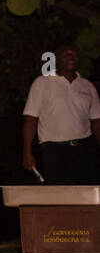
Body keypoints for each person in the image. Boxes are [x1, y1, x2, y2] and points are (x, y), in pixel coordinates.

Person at [22, 43, 100, 184]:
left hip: (85, 148)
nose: (70, 56)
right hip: (54, 150)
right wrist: (27, 152)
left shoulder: (88, 86)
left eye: (73, 54)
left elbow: (96, 122)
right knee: (61, 194)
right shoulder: (42, 83)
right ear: (56, 59)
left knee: (86, 192)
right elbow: (31, 120)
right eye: (66, 54)